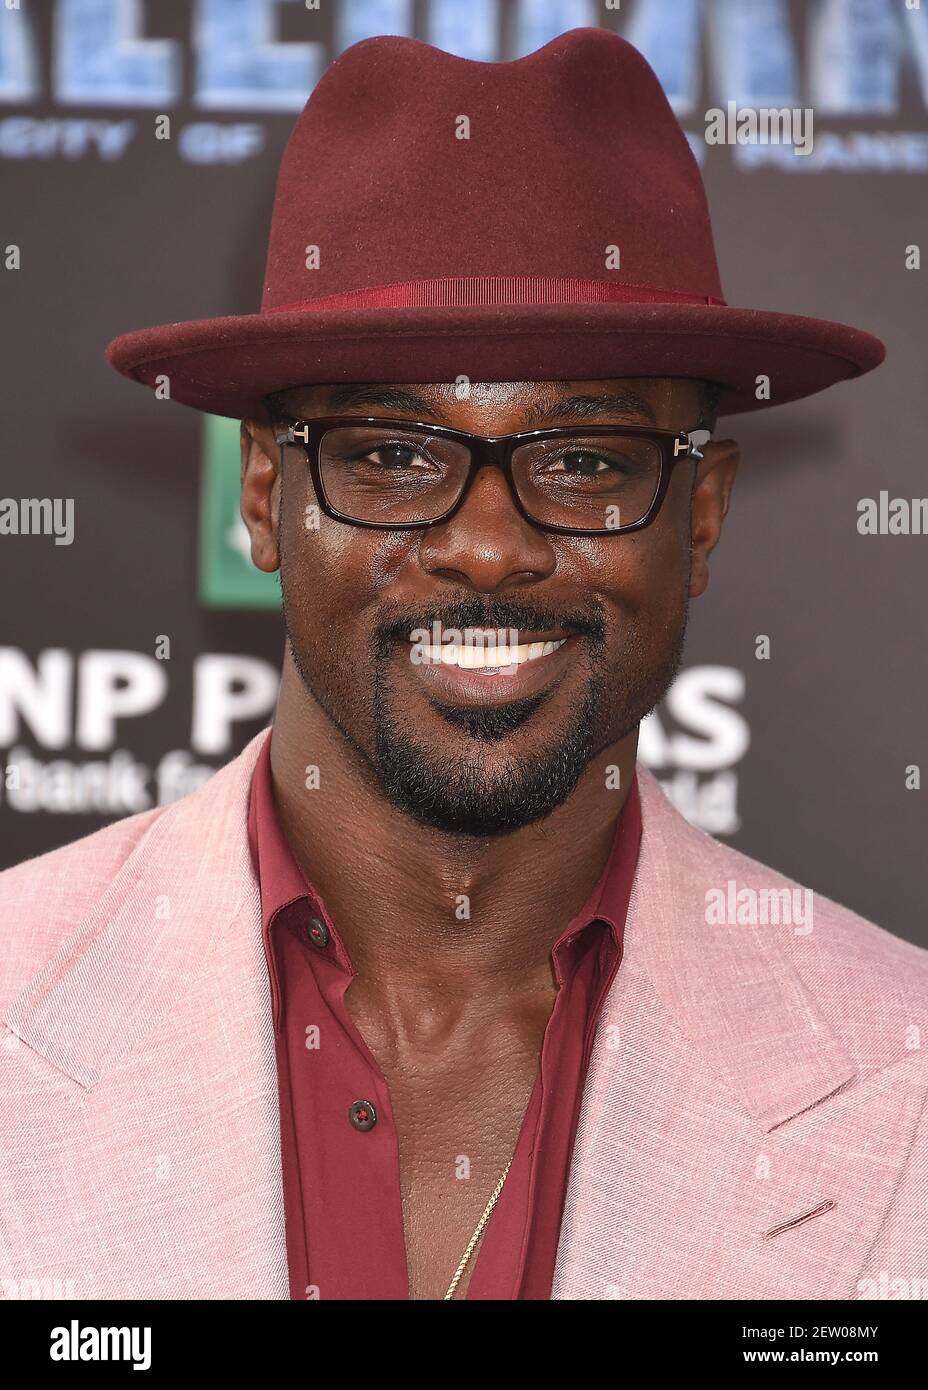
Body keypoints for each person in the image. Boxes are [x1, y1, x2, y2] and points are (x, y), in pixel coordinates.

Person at [2, 28, 925, 1303]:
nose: (488, 547)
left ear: (698, 514)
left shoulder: (904, 1078)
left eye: (587, 459)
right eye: (390, 454)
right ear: (266, 494)